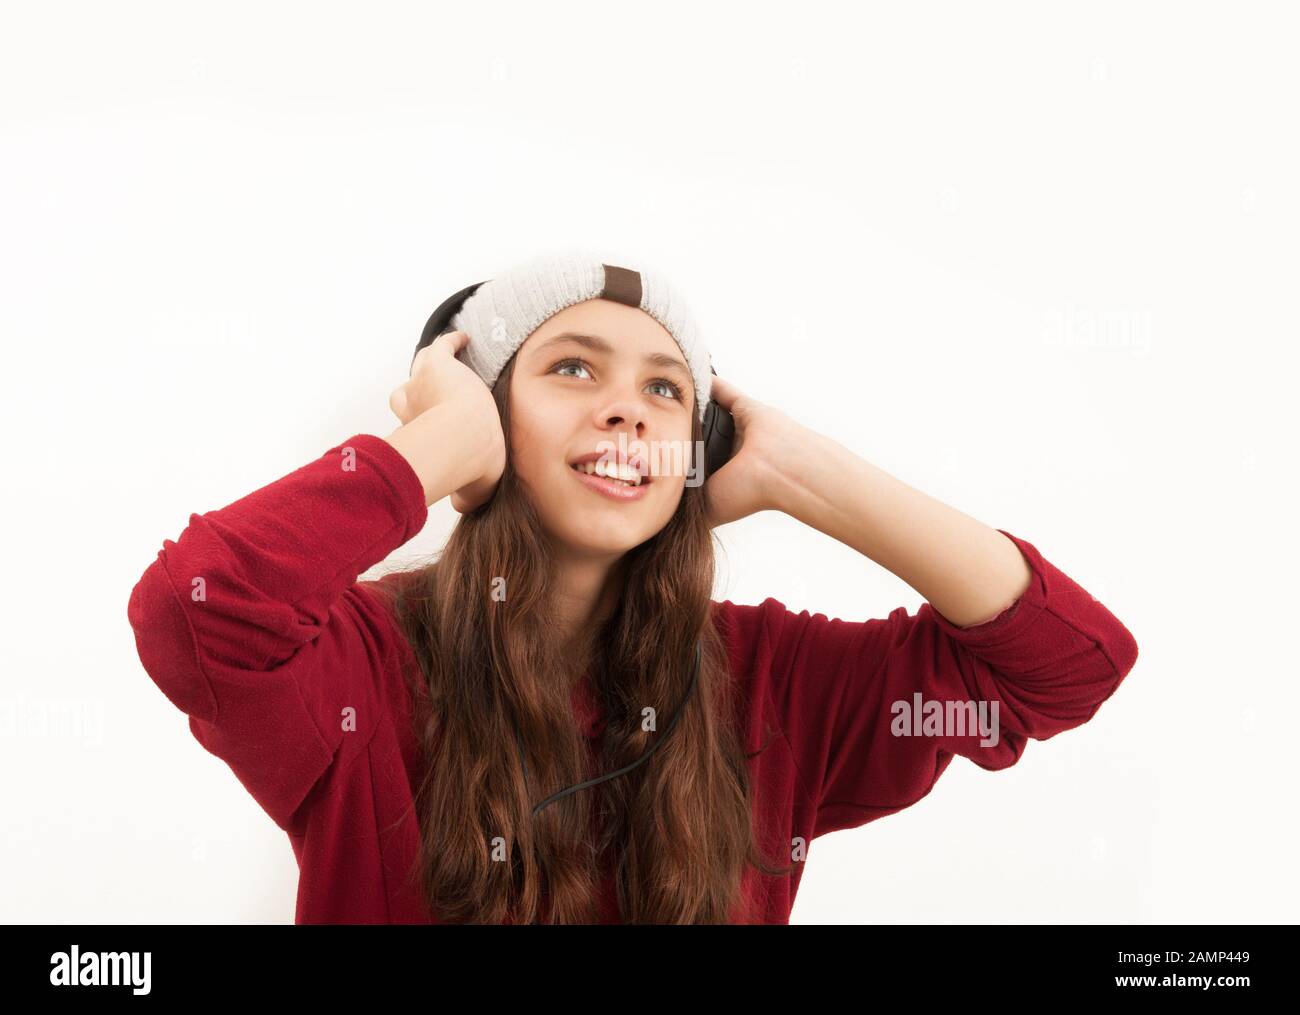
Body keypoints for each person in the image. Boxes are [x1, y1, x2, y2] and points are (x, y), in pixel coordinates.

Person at [126, 252, 1140, 924]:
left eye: (666, 388)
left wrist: (798, 472)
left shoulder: (770, 682)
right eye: (572, 370)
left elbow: (1068, 664)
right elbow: (192, 608)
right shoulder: (357, 659)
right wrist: (432, 449)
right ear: (483, 413)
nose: (627, 412)